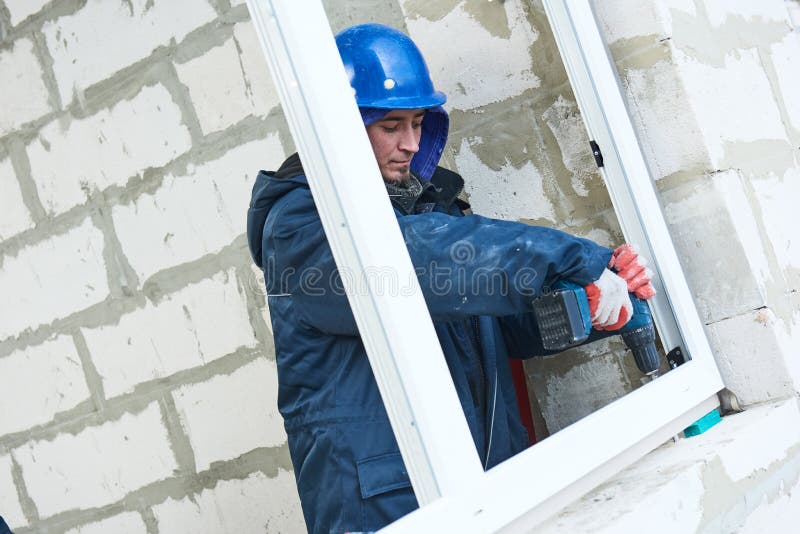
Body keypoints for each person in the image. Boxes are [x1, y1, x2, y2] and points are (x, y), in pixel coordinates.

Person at [247, 23, 654, 533]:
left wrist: (594, 304)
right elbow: (417, 266)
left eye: (418, 123)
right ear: (339, 128)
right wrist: (569, 255)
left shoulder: (422, 214)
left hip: (478, 489)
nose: (411, 145)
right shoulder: (303, 225)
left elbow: (495, 329)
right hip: (390, 507)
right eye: (390, 126)